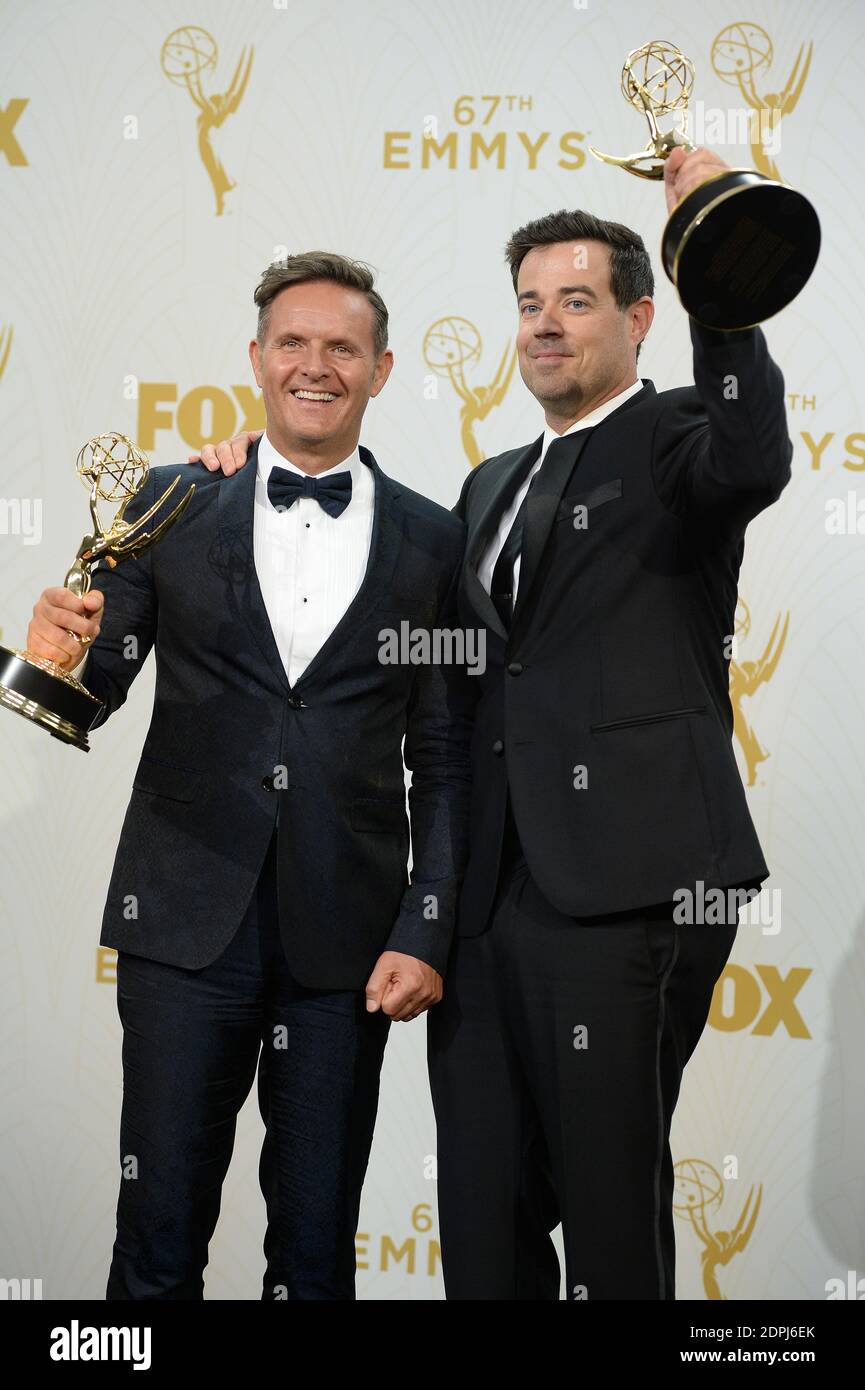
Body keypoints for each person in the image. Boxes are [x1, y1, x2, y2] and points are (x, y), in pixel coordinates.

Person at [193, 146, 793, 1299]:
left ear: (639, 316)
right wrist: (239, 468)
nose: (545, 326)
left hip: (628, 887)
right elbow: (450, 686)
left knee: (610, 1214)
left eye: (576, 301)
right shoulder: (487, 484)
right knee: (481, 1214)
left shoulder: (676, 440)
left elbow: (753, 450)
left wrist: (717, 258)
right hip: (483, 904)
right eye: (529, 304)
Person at [27, 251, 472, 1300]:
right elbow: (94, 691)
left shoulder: (435, 541)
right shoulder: (168, 503)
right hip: (183, 926)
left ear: (381, 368)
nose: (314, 365)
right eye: (293, 343)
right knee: (157, 1240)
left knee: (315, 1258)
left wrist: (427, 921)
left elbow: (444, 755)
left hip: (346, 943)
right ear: (257, 357)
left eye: (340, 348)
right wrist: (51, 657)